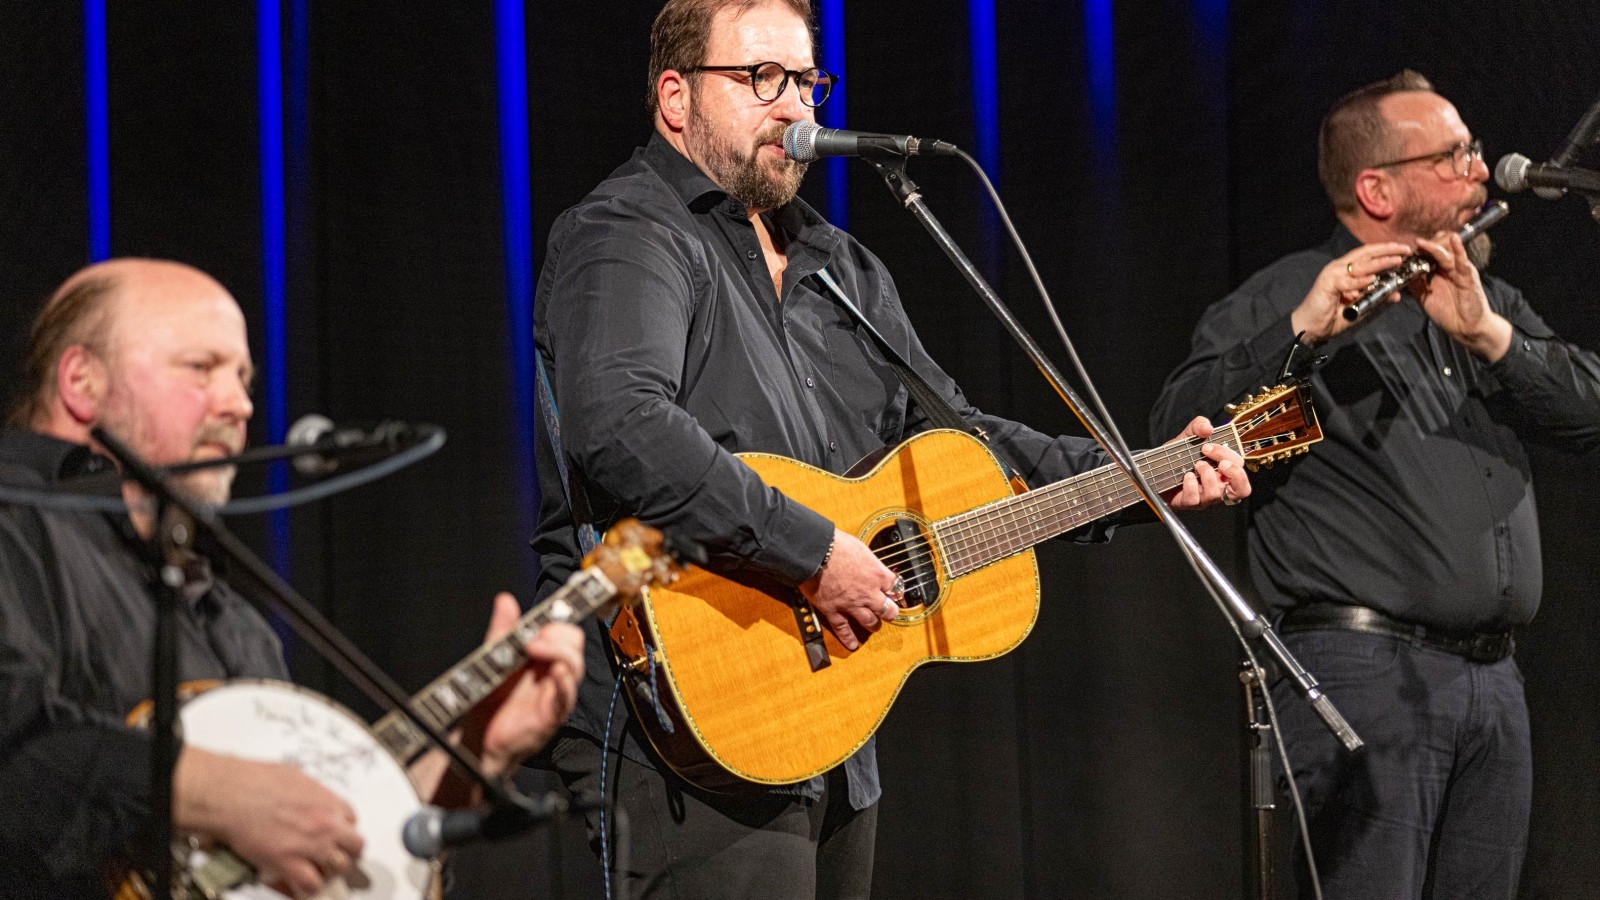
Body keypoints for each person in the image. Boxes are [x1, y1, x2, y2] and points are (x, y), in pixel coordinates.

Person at [529, 1, 1252, 896]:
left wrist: (1140, 477)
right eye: (760, 79)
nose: (795, 107)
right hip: (676, 716)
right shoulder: (629, 232)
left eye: (806, 81)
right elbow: (622, 425)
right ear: (676, 98)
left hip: (827, 722)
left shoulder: (842, 268)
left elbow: (965, 447)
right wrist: (816, 553)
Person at [0, 258, 586, 899]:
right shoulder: (17, 522)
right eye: (202, 368)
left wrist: (472, 756)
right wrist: (212, 791)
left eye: (244, 378)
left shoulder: (232, 622)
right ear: (81, 381)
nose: (239, 404)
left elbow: (292, 863)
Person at [1151, 70, 1600, 899]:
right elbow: (1176, 428)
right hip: (1360, 677)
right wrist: (1300, 335)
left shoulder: (1482, 299)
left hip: (1494, 684)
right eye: (1455, 154)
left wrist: (1491, 337)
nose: (1480, 169)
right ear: (1376, 189)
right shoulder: (1287, 296)